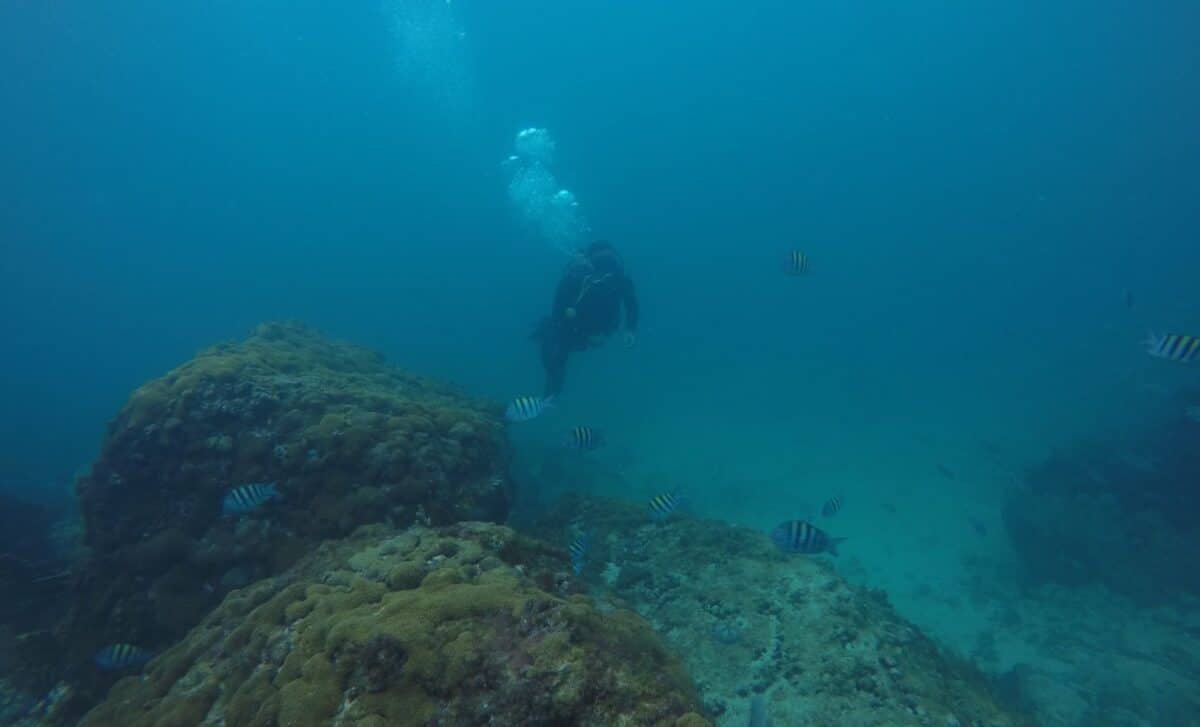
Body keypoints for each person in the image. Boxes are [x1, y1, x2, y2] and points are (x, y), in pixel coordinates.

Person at [532, 240, 639, 396]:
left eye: (609, 262)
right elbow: (558, 310)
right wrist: (579, 329)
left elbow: (631, 303)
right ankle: (549, 397)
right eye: (600, 262)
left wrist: (631, 329)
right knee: (555, 353)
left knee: (559, 355)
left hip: (598, 330)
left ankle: (549, 398)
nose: (606, 268)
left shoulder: (620, 278)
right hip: (572, 328)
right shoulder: (577, 276)